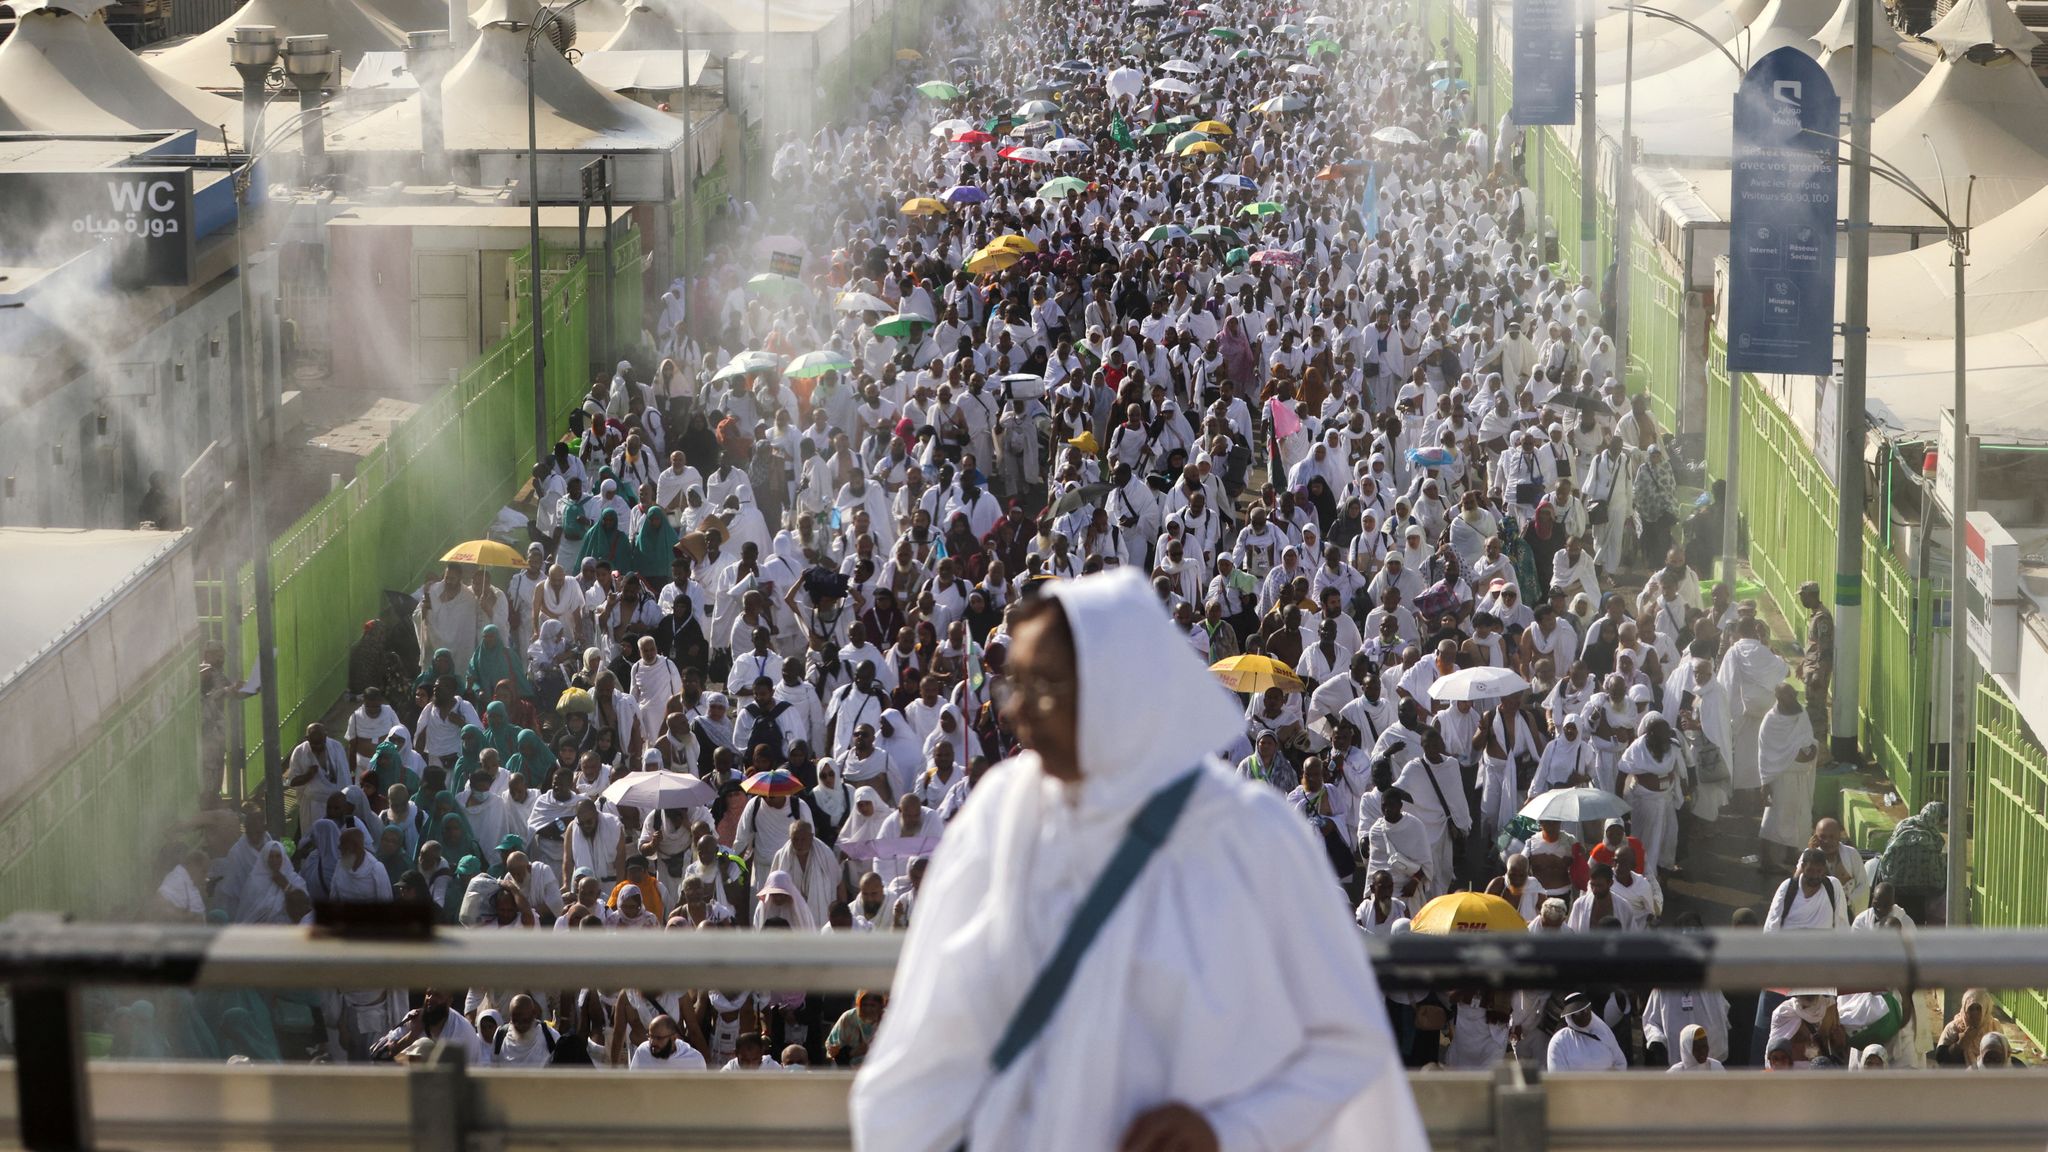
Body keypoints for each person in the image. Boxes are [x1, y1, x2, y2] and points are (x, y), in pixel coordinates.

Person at [851, 569, 1426, 1152]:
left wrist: (1229, 1132)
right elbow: (925, 1041)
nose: (1015, 713)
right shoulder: (1001, 815)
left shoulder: (1250, 837)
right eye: (1012, 685)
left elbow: (1346, 1043)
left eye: (1042, 686)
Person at [1758, 685, 1819, 872]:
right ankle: (1765, 859)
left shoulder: (1801, 713)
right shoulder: (1770, 720)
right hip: (1780, 777)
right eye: (1789, 696)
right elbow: (1765, 752)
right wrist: (1765, 783)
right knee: (1774, 818)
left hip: (1801, 775)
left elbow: (1808, 738)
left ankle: (1791, 853)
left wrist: (1810, 751)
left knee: (1799, 814)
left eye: (1794, 695)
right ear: (1779, 697)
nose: (1793, 698)